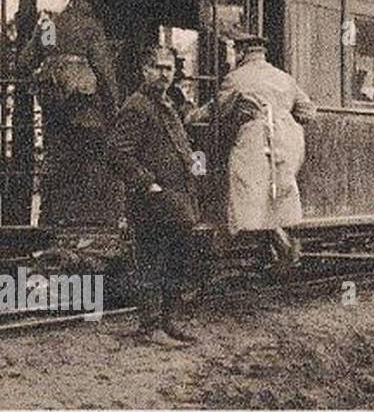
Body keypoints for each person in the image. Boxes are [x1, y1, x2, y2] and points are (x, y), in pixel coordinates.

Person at [190, 32, 316, 269]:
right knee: (274, 194)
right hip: (288, 142)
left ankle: (223, 246)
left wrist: (190, 116)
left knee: (242, 189)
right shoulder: (284, 78)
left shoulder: (236, 78)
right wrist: (282, 114)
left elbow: (215, 109)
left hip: (256, 139)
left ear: (241, 53)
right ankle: (281, 244)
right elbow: (308, 111)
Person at [106, 44, 200, 345]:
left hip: (175, 199)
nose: (164, 74)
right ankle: (150, 327)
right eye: (158, 68)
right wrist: (148, 183)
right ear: (145, 71)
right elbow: (117, 154)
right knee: (151, 262)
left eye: (169, 69)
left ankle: (169, 323)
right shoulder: (137, 105)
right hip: (152, 201)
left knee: (175, 261)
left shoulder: (166, 104)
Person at [19, 0, 121, 226]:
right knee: (89, 163)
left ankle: (51, 216)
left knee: (56, 160)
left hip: (54, 108)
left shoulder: (51, 26)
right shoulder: (90, 28)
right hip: (85, 111)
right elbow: (103, 71)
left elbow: (25, 62)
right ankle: (85, 220)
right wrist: (114, 107)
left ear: (70, 1)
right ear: (88, 4)